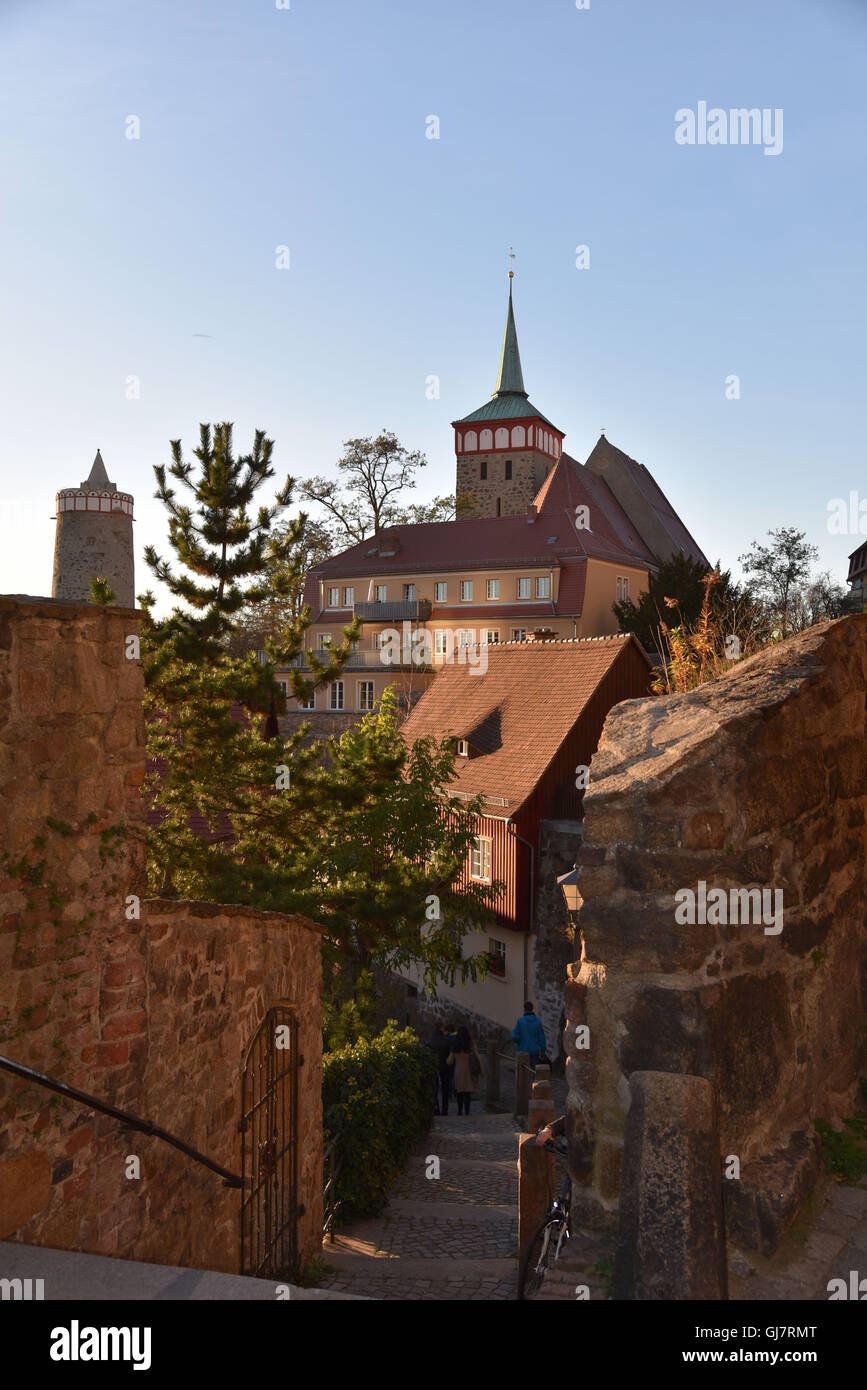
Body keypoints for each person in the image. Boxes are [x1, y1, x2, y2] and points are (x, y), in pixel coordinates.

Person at [446, 1026, 484, 1116]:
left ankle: (459, 1111)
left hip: (458, 1071)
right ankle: (467, 1112)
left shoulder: (455, 1045)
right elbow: (478, 1057)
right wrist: (482, 1070)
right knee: (468, 1093)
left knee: (460, 1092)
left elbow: (449, 1061)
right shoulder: (471, 1044)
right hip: (469, 1071)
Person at [425, 1021, 453, 1116]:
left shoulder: (429, 1042)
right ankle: (445, 1110)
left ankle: (436, 1109)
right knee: (445, 1090)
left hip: (434, 1066)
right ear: (441, 1028)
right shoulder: (447, 1041)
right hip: (445, 1066)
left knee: (434, 1089)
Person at [510, 1002, 546, 1073]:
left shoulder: (520, 1021)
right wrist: (542, 1051)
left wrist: (518, 1041)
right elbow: (541, 1038)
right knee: (533, 1072)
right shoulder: (538, 1021)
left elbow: (514, 1036)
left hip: (522, 1051)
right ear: (532, 1009)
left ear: (524, 1009)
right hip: (534, 1051)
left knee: (522, 1073)